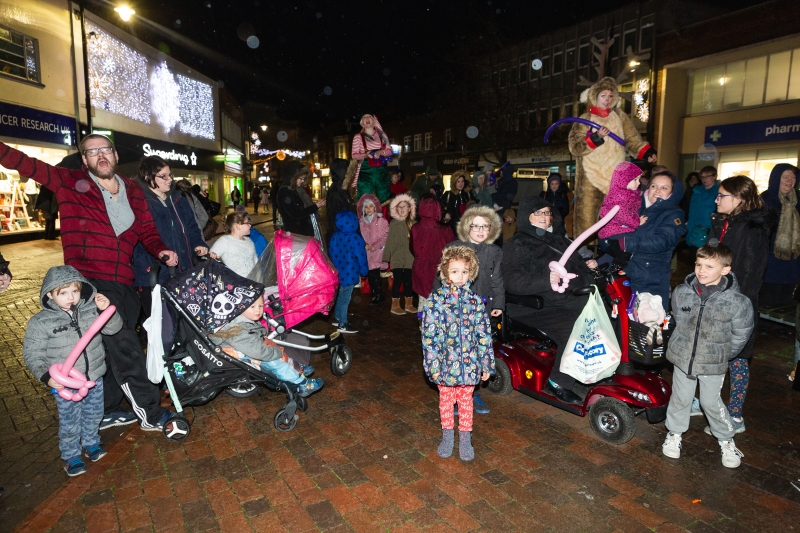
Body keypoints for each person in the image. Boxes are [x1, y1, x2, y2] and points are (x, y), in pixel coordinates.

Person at [0, 135, 177, 432]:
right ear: (85, 160)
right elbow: (25, 163)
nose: (100, 156)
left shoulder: (133, 189)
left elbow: (147, 230)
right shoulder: (68, 181)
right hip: (91, 283)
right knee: (126, 347)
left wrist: (160, 250)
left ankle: (105, 410)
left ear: (115, 155)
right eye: (92, 152)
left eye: (105, 149)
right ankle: (150, 411)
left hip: (125, 282)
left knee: (107, 349)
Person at [23, 266, 123, 476]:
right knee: (70, 421)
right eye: (63, 293)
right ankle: (71, 456)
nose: (71, 297)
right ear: (50, 294)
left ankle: (91, 443)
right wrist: (47, 377)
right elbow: (33, 354)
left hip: (94, 377)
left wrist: (106, 311)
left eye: (75, 291)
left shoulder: (90, 309)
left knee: (94, 414)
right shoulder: (41, 323)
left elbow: (113, 328)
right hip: (66, 383)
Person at [661, 243, 752, 469]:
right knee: (680, 398)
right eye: (698, 264)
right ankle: (674, 433)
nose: (701, 270)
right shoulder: (683, 293)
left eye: (709, 266)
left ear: (725, 270)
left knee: (710, 402)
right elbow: (679, 322)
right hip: (683, 359)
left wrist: (721, 354)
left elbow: (741, 335)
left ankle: (726, 438)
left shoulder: (737, 302)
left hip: (713, 362)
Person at [502, 197, 598, 404]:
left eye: (547, 213)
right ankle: (558, 382)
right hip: (533, 305)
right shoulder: (518, 243)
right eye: (539, 213)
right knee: (579, 327)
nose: (545, 217)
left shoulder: (558, 239)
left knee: (607, 316)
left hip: (564, 299)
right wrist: (545, 279)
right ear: (526, 216)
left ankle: (595, 368)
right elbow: (512, 281)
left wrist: (587, 266)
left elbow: (573, 263)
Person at [705, 175, 770, 428]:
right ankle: (710, 403)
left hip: (736, 305)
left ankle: (734, 415)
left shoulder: (752, 229)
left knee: (738, 359)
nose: (716, 199)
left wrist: (732, 303)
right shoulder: (725, 223)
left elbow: (750, 273)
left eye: (722, 195)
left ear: (739, 199)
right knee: (713, 356)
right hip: (716, 298)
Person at [422, 246, 494, 461]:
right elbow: (429, 338)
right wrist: (432, 366)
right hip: (444, 365)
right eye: (454, 271)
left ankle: (465, 439)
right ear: (445, 272)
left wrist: (486, 363)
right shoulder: (435, 301)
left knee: (466, 402)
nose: (460, 276)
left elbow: (484, 335)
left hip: (470, 365)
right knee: (446, 402)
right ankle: (447, 437)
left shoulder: (475, 302)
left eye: (464, 271)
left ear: (471, 272)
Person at [433, 205, 505, 415]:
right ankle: (453, 393)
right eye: (475, 226)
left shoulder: (494, 252)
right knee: (455, 352)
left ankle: (473, 394)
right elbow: (440, 278)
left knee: (476, 353)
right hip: (455, 310)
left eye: (485, 226)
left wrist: (499, 304)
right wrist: (438, 303)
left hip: (481, 310)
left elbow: (497, 281)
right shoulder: (454, 248)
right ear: (466, 227)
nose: (481, 230)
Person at [568, 76, 656, 237]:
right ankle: (585, 251)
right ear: (594, 96)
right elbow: (575, 147)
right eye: (603, 95)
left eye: (610, 95)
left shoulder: (620, 117)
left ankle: (614, 247)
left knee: (618, 217)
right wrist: (596, 137)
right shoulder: (585, 119)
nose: (607, 99)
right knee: (587, 217)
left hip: (618, 178)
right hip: (591, 176)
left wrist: (646, 152)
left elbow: (632, 139)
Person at [132, 157, 208, 316]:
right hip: (155, 275)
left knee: (187, 321)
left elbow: (192, 227)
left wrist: (198, 244)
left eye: (170, 175)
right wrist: (146, 265)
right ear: (148, 177)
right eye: (163, 176)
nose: (169, 180)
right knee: (162, 326)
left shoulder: (179, 199)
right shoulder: (139, 202)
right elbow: (136, 239)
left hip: (183, 271)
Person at [210, 294, 323, 396]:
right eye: (253, 307)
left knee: (271, 345)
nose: (258, 310)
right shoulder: (237, 331)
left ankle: (295, 368)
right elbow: (258, 352)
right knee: (275, 362)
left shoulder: (239, 320)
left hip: (246, 348)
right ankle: (301, 384)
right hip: (242, 354)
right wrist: (277, 353)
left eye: (260, 306)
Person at [604, 171, 687, 310]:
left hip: (650, 276)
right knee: (623, 319)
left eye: (664, 188)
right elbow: (612, 228)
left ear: (673, 193)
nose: (657, 191)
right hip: (625, 270)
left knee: (647, 322)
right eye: (654, 186)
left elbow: (662, 241)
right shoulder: (635, 207)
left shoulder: (673, 214)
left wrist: (625, 243)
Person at [759, 164, 800, 307]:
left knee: (786, 301)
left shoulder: (797, 200)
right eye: (785, 177)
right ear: (776, 178)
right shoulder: (765, 200)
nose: (790, 180)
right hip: (771, 260)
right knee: (768, 300)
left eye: (793, 177)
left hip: (792, 261)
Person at [329, 211, 369, 334]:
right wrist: (364, 271)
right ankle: (343, 323)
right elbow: (361, 256)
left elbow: (331, 252)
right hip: (350, 273)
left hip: (338, 272)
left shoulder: (335, 236)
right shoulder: (356, 238)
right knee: (345, 298)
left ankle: (337, 317)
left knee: (340, 295)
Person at [412, 196, 455, 309]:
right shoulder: (445, 229)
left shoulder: (415, 228)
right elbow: (452, 249)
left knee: (423, 300)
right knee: (441, 302)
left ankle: (424, 324)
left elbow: (413, 248)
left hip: (421, 268)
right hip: (440, 269)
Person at [383, 194, 417, 315]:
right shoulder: (393, 223)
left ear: (410, 208)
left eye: (405, 206)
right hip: (396, 258)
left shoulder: (414, 223)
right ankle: (395, 305)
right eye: (400, 207)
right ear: (396, 209)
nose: (402, 209)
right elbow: (389, 241)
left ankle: (409, 304)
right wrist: (386, 258)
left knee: (409, 281)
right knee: (397, 281)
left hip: (410, 258)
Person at [351, 113, 393, 202]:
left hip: (382, 171)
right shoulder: (358, 137)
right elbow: (354, 155)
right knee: (365, 197)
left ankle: (383, 215)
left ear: (374, 121)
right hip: (366, 171)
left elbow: (389, 151)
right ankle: (364, 215)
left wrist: (381, 151)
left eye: (369, 116)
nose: (367, 119)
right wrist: (365, 155)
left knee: (384, 197)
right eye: (364, 117)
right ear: (362, 122)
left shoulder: (383, 135)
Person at [597, 161, 643, 242]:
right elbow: (622, 215)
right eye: (635, 179)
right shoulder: (618, 196)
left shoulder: (627, 195)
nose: (639, 183)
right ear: (624, 179)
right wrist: (637, 222)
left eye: (639, 179)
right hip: (613, 231)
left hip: (620, 229)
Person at [277, 162, 325, 237]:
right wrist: (315, 206)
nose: (302, 181)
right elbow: (295, 214)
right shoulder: (285, 191)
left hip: (301, 233)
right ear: (293, 177)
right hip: (295, 235)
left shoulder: (297, 190)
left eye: (304, 178)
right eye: (301, 178)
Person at [358, 194, 389, 306]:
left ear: (375, 208)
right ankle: (376, 293)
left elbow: (385, 236)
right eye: (366, 207)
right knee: (371, 274)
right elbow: (361, 236)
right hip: (367, 252)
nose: (368, 209)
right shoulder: (362, 222)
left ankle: (379, 295)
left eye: (371, 206)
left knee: (375, 274)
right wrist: (365, 244)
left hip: (378, 252)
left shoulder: (381, 221)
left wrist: (374, 246)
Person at [210, 212, 258, 278]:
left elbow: (255, 261)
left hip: (253, 282)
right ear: (238, 226)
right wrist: (213, 255)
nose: (250, 226)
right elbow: (211, 257)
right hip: (235, 283)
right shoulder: (225, 241)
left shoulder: (249, 241)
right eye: (247, 223)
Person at [685, 166, 720, 250]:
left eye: (707, 177)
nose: (704, 180)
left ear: (715, 176)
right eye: (702, 177)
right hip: (697, 229)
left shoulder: (719, 191)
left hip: (711, 229)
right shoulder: (697, 191)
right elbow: (692, 211)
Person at [325, 158, 357, 245]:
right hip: (342, 239)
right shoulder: (336, 192)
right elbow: (337, 218)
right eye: (348, 172)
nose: (350, 175)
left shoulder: (342, 189)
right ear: (342, 172)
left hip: (346, 236)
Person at [491, 164, 518, 246]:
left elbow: (507, 196)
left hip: (504, 211)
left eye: (502, 171)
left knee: (502, 234)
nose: (500, 173)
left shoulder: (512, 183)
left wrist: (494, 195)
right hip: (495, 210)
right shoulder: (500, 181)